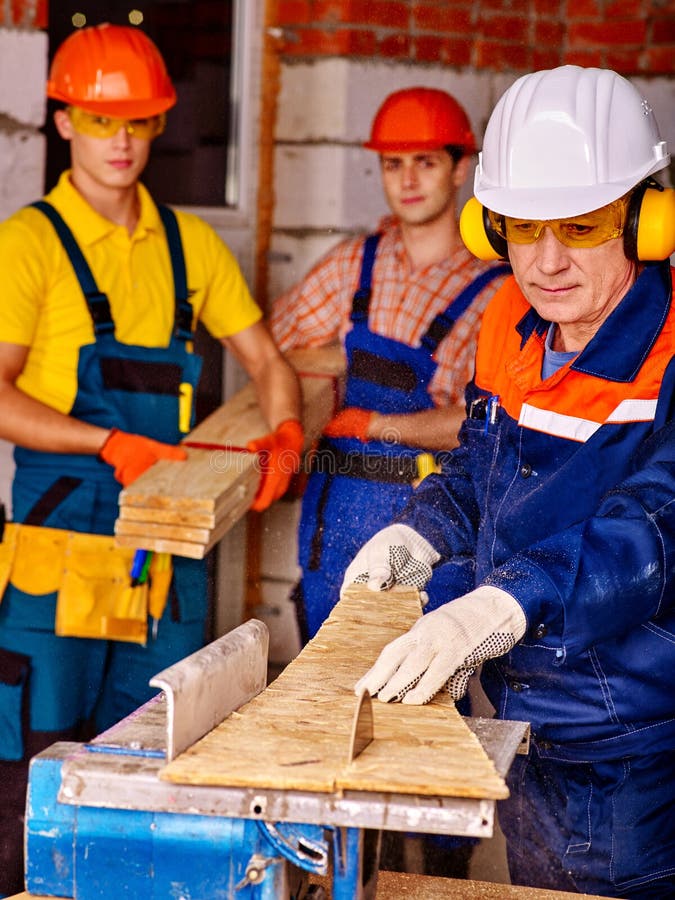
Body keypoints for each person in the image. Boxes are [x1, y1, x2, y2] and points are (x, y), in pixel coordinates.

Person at [344, 65, 675, 899]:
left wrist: (502, 602)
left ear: (646, 222)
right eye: (523, 229)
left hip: (629, 747)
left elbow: (651, 528)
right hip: (531, 718)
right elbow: (482, 465)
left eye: (583, 227)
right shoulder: (513, 323)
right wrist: (418, 531)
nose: (548, 261)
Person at [0, 23, 302, 893]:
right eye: (100, 122)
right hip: (61, 535)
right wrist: (107, 440)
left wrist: (283, 436)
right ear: (63, 122)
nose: (120, 141)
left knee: (157, 748)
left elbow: (270, 363)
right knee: (38, 755)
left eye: (136, 122)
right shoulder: (30, 242)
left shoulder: (189, 246)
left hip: (165, 542)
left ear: (160, 122)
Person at [270, 86, 510, 644]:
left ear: (460, 169)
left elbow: (486, 421)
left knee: (416, 709)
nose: (407, 180)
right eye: (392, 164)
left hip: (433, 544)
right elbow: (272, 355)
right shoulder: (354, 265)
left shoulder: (497, 292)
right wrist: (291, 425)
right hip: (332, 532)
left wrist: (378, 426)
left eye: (425, 163)